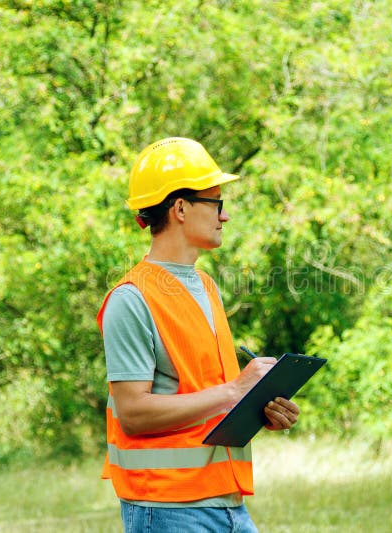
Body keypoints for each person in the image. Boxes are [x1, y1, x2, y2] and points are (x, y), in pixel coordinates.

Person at [97, 137, 300, 533]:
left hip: (226, 503)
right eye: (217, 202)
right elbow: (133, 414)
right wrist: (234, 391)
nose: (224, 216)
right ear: (180, 208)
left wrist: (260, 407)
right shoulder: (131, 299)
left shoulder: (205, 286)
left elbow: (205, 395)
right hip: (169, 509)